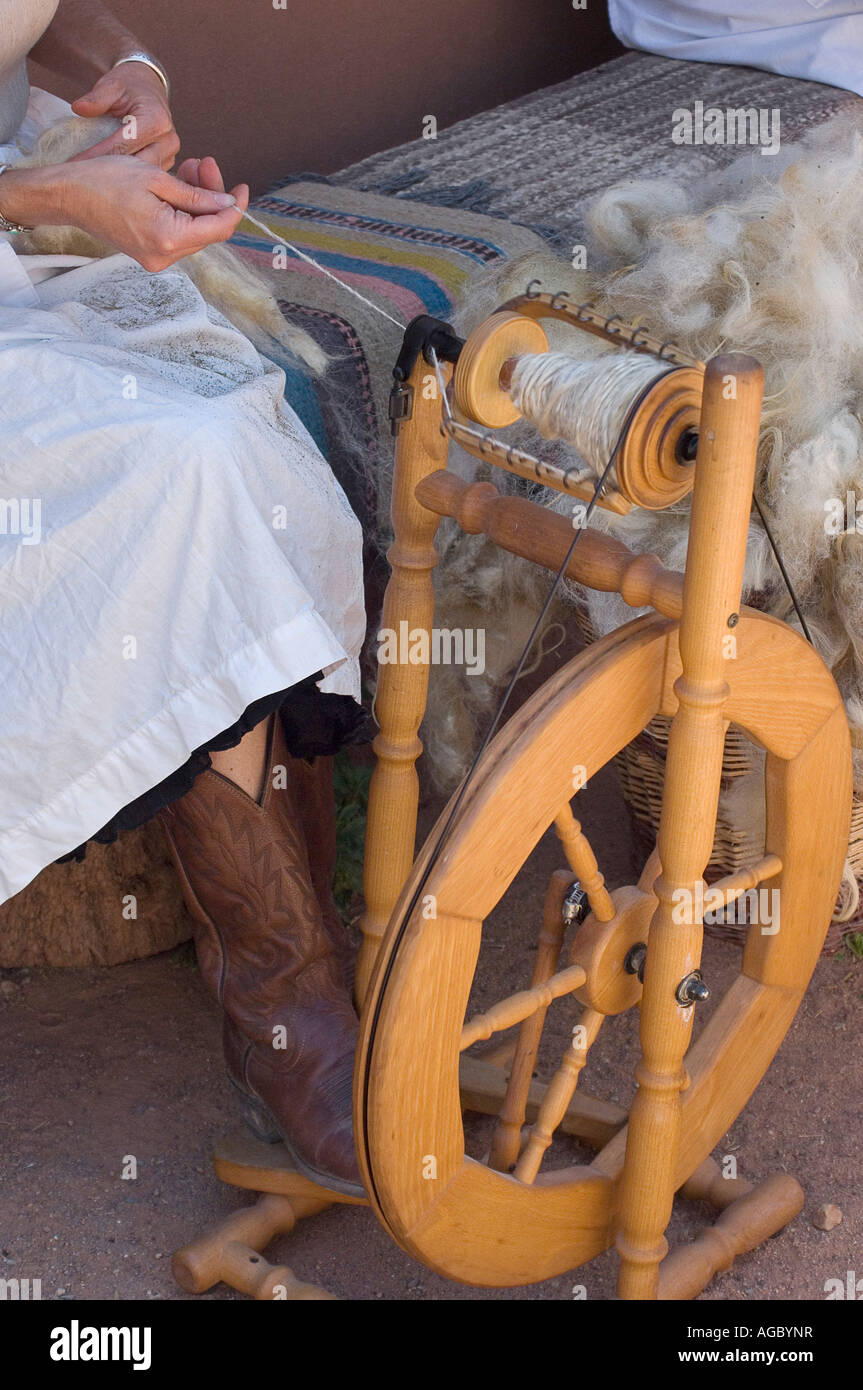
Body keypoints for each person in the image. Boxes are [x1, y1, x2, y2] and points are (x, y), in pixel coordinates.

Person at [0, 0, 368, 1196]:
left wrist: (131, 75)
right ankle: (288, 1003)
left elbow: (49, 13)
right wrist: (54, 200)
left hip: (23, 249)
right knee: (175, 472)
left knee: (237, 431)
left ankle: (292, 979)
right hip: (21, 230)